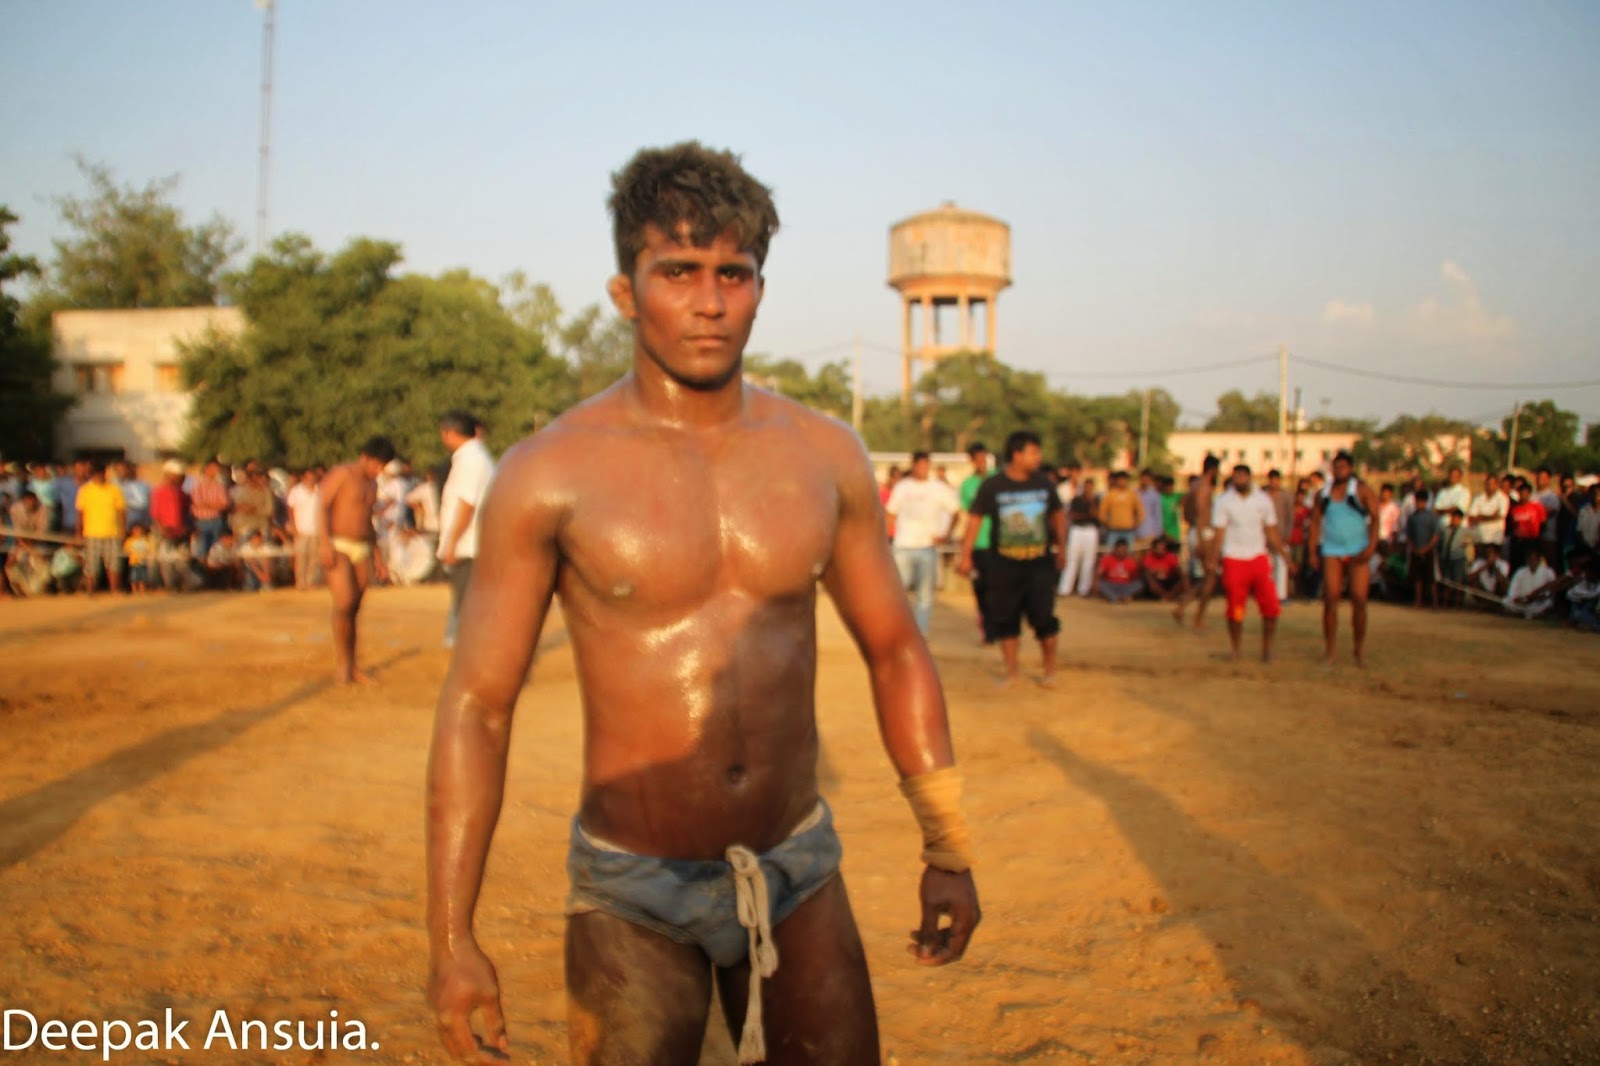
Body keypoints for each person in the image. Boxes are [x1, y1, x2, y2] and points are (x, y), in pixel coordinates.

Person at [426, 143, 978, 1066]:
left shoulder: (822, 455)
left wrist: (948, 842)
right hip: (632, 885)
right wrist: (451, 941)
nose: (711, 300)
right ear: (624, 290)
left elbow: (895, 647)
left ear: (761, 286)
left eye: (735, 273)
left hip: (798, 868)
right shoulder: (548, 473)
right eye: (677, 271)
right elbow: (478, 705)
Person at [959, 429, 1065, 687]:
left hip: (1039, 565)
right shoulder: (993, 486)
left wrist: (1062, 547)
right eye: (1033, 452)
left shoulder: (1043, 484)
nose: (1038, 458)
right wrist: (966, 555)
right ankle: (1012, 672)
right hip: (1003, 566)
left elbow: (1058, 515)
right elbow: (974, 520)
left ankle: (1049, 671)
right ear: (1016, 455)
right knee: (1005, 620)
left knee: (1044, 619)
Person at [318, 437, 396, 684]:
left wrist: (378, 557)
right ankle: (343, 664)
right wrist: (324, 543)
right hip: (339, 543)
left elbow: (368, 521)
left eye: (382, 466)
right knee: (344, 602)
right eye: (377, 464)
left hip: (363, 546)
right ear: (365, 457)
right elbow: (322, 506)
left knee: (354, 608)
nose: (379, 470)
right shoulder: (342, 474)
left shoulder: (372, 484)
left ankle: (351, 665)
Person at [1212, 464, 1291, 662]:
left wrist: (1285, 557)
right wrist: (1213, 558)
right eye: (1235, 476)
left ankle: (1267, 650)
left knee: (1271, 607)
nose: (1239, 479)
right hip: (1234, 558)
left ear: (1249, 477)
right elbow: (1219, 533)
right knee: (1236, 608)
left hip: (1258, 557)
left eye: (1242, 475)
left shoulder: (1263, 500)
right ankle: (1236, 649)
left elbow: (1271, 531)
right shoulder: (1223, 501)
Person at [1307, 452, 1378, 665]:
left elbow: (1375, 518)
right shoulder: (1324, 494)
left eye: (1344, 467)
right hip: (1332, 550)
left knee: (1359, 599)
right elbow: (1315, 523)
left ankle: (1359, 650)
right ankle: (1330, 651)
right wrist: (1312, 551)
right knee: (1331, 598)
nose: (1340, 471)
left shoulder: (1361, 490)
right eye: (1336, 467)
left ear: (1351, 468)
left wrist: (1371, 547)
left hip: (1358, 549)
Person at [437, 410, 496, 648]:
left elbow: (466, 504)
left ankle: (471, 654)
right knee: (468, 601)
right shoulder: (473, 457)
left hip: (468, 544)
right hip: (474, 542)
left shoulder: (471, 460)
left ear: (450, 433)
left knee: (467, 604)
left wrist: (452, 541)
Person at [885, 450, 960, 635]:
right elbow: (891, 514)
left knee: (925, 594)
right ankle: (898, 631)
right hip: (903, 545)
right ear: (913, 466)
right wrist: (887, 540)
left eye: (926, 464)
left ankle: (921, 633)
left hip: (927, 546)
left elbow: (955, 512)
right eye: (920, 464)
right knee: (899, 593)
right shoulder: (903, 487)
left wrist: (946, 535)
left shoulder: (938, 488)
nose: (923, 468)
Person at [956, 442, 995, 642]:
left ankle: (997, 626)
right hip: (978, 544)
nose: (981, 462)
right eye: (977, 458)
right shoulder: (967, 486)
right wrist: (965, 551)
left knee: (998, 588)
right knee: (981, 587)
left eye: (983, 457)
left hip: (999, 543)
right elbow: (965, 517)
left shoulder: (998, 479)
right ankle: (987, 628)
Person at [1177, 455, 1221, 627]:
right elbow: (1202, 513)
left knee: (1207, 577)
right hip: (1203, 532)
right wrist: (1203, 539)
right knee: (1210, 577)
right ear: (1213, 469)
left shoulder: (1194, 485)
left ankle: (1183, 606)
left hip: (1195, 530)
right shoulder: (1204, 486)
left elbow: (1186, 509)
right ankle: (1198, 616)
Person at [75, 461, 127, 596]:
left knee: (114, 563)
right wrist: (78, 531)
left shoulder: (114, 489)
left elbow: (121, 511)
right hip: (92, 532)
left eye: (101, 473)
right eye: (96, 474)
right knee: (91, 564)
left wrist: (122, 529)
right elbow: (80, 512)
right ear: (92, 475)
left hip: (113, 532)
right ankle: (90, 590)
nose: (99, 476)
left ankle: (115, 590)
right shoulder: (85, 490)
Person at [286, 468, 322, 590]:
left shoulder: (320, 491)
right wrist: (293, 526)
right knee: (301, 557)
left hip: (316, 530)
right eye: (309, 478)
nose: (311, 480)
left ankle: (310, 581)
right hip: (301, 529)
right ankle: (300, 582)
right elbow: (290, 510)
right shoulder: (296, 492)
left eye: (313, 478)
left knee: (314, 558)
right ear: (304, 478)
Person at [1405, 488, 1441, 609]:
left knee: (1431, 577)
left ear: (1425, 502)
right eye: (1417, 501)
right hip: (1416, 550)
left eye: (1421, 501)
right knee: (1417, 578)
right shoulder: (1412, 517)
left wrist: (1426, 548)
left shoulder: (1432, 517)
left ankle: (1435, 602)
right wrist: (1415, 549)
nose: (1419, 503)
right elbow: (1409, 535)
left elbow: (1436, 536)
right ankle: (1418, 601)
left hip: (1429, 550)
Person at [1506, 545, 1557, 619]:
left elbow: (1551, 592)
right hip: (1522, 602)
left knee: (1536, 608)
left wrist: (1536, 598)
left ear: (1539, 560)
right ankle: (1521, 613)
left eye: (1534, 560)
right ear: (1527, 560)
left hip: (1539, 602)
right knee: (1506, 601)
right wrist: (1517, 598)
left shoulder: (1548, 572)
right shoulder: (1520, 572)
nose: (1532, 562)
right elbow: (1513, 590)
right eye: (1530, 560)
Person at [1098, 470, 1144, 552]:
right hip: (1113, 530)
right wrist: (1107, 523)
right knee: (1110, 552)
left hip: (1129, 531)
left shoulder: (1132, 495)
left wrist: (1136, 523)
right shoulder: (1110, 495)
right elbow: (1102, 512)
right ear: (1116, 481)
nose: (1122, 482)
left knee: (1129, 554)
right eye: (1120, 479)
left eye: (1124, 479)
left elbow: (1140, 512)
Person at [1467, 474, 1508, 552]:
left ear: (1497, 485)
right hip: (1480, 538)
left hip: (1495, 539)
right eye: (1488, 484)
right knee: (1479, 562)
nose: (1490, 486)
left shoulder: (1503, 498)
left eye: (1492, 484)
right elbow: (1472, 517)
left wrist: (1480, 517)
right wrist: (1491, 516)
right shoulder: (1478, 498)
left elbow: (1499, 516)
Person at [1438, 509, 1471, 607]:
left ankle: (1457, 603)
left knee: (1458, 581)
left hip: (1458, 558)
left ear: (1460, 520)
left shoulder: (1464, 531)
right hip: (1446, 557)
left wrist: (1467, 542)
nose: (1454, 520)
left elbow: (1475, 537)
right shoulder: (1445, 530)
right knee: (1446, 581)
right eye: (1453, 518)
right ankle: (1445, 602)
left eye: (1457, 518)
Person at [1092, 539, 1142, 604]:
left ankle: (1120, 597)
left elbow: (1135, 577)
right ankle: (1115, 598)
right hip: (1110, 584)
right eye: (1120, 550)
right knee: (1101, 584)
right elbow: (1098, 573)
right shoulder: (1107, 559)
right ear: (1115, 549)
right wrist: (1095, 583)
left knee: (1139, 584)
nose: (1122, 552)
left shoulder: (1131, 561)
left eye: (1124, 550)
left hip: (1125, 585)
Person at [1142, 535, 1187, 603]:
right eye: (1159, 548)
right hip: (1156, 583)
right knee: (1147, 576)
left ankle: (1169, 596)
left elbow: (1177, 569)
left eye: (1163, 548)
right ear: (1154, 549)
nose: (1162, 550)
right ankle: (1165, 595)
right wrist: (1156, 571)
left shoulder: (1170, 556)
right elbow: (1147, 571)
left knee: (1183, 575)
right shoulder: (1149, 557)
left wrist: (1177, 571)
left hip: (1168, 582)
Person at [123, 523, 152, 594]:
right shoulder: (130, 541)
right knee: (134, 577)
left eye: (139, 530)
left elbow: (150, 549)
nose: (138, 532)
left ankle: (142, 590)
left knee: (143, 577)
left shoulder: (146, 540)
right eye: (136, 530)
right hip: (134, 563)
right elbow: (126, 550)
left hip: (143, 562)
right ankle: (134, 590)